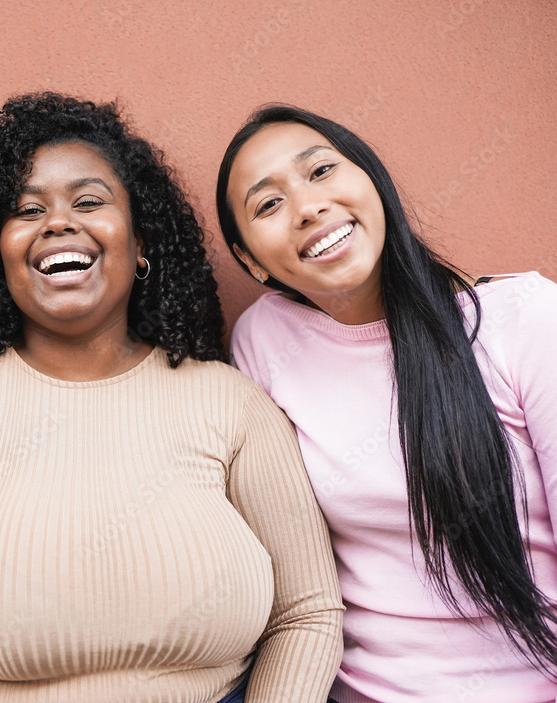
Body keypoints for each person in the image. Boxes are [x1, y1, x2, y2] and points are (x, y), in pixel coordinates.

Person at [0, 93, 343, 703]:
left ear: (141, 244)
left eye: (88, 202)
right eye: (27, 210)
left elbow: (307, 613)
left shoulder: (234, 405)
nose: (58, 222)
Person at [216, 105, 557, 702]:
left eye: (321, 171)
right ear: (250, 261)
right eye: (268, 204)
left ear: (373, 181)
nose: (308, 208)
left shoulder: (524, 319)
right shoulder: (263, 341)